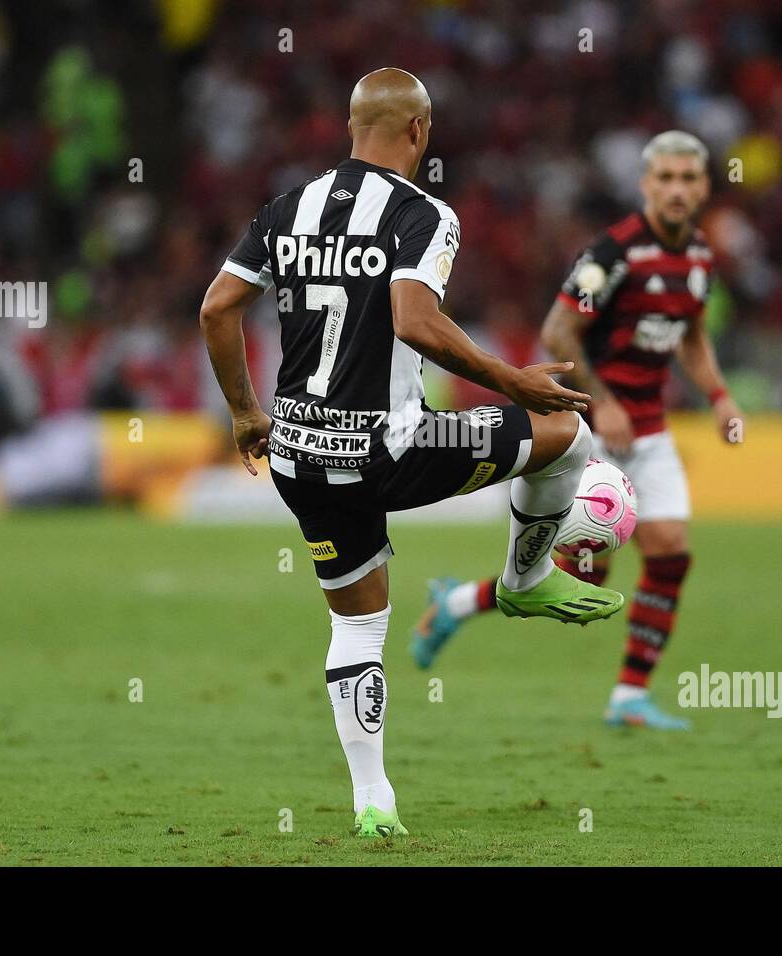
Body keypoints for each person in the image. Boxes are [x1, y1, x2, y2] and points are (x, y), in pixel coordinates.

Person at [199, 68, 625, 838]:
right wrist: (512, 381)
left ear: (351, 125)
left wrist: (243, 411)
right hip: (391, 445)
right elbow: (416, 321)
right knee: (569, 437)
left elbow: (217, 308)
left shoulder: (286, 208)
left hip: (297, 453)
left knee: (358, 627)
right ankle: (527, 579)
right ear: (420, 133)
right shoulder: (424, 214)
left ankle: (374, 804)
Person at [411, 131, 744, 731]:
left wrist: (719, 397)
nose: (675, 189)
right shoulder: (611, 256)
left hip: (653, 434)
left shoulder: (698, 256)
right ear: (645, 185)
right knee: (576, 577)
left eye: (687, 179)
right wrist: (606, 401)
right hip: (595, 436)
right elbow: (558, 332)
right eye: (663, 178)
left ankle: (628, 697)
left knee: (671, 554)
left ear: (702, 189)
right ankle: (454, 603)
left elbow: (692, 334)